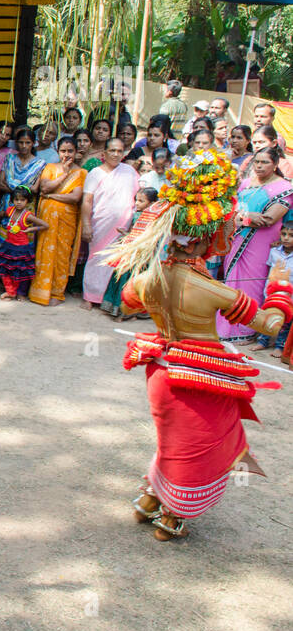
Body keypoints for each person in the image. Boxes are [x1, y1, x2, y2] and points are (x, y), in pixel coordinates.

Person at [110, 151, 288, 541]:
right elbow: (271, 325)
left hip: (162, 369)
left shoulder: (148, 279)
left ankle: (150, 501)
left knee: (172, 442)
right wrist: (281, 290)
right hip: (201, 378)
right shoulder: (211, 290)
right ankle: (173, 517)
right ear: (206, 237)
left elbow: (126, 301)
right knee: (199, 446)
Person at [217, 147, 293, 343]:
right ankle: (228, 325)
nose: (259, 166)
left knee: (253, 283)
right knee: (233, 282)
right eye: (257, 162)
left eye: (265, 162)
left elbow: (268, 220)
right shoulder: (245, 184)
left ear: (275, 164)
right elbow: (232, 211)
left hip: (262, 243)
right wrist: (246, 217)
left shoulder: (283, 188)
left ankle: (249, 329)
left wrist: (244, 218)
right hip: (237, 239)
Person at [81, 139, 139, 309]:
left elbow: (139, 194)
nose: (115, 154)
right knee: (96, 258)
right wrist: (86, 224)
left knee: (116, 262)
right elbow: (87, 200)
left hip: (123, 227)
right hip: (101, 224)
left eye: (119, 151)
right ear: (103, 154)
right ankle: (90, 296)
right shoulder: (95, 173)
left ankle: (108, 298)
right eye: (112, 150)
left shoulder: (129, 172)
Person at [28, 136, 85, 305]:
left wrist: (52, 196)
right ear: (58, 151)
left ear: (76, 152)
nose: (66, 155)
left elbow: (75, 197)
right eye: (63, 151)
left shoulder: (81, 173)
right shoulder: (50, 168)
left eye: (70, 151)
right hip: (47, 220)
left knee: (61, 255)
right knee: (43, 253)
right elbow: (44, 187)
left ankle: (57, 294)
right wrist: (64, 175)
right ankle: (39, 291)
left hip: (67, 220)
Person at [100, 186, 156, 320]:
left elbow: (150, 238)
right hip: (130, 251)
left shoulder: (154, 219)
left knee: (132, 282)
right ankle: (116, 309)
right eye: (136, 200)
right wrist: (125, 235)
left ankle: (127, 313)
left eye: (141, 201)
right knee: (121, 279)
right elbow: (133, 233)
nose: (137, 203)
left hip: (141, 255)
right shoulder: (136, 214)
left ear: (152, 204)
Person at [0, 185, 47, 300]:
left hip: (22, 248)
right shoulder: (10, 211)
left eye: (22, 200)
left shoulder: (28, 216)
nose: (19, 202)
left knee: (22, 273)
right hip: (9, 246)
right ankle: (10, 291)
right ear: (12, 200)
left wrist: (30, 229)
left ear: (27, 201)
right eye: (16, 200)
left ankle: (21, 293)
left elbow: (45, 225)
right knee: (6, 270)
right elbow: (2, 214)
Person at [253, 223, 293, 353]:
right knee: (267, 316)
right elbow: (270, 269)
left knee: (285, 322)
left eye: (291, 235)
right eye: (283, 234)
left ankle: (279, 346)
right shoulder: (274, 251)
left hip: (289, 296)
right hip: (271, 293)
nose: (286, 238)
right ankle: (263, 341)